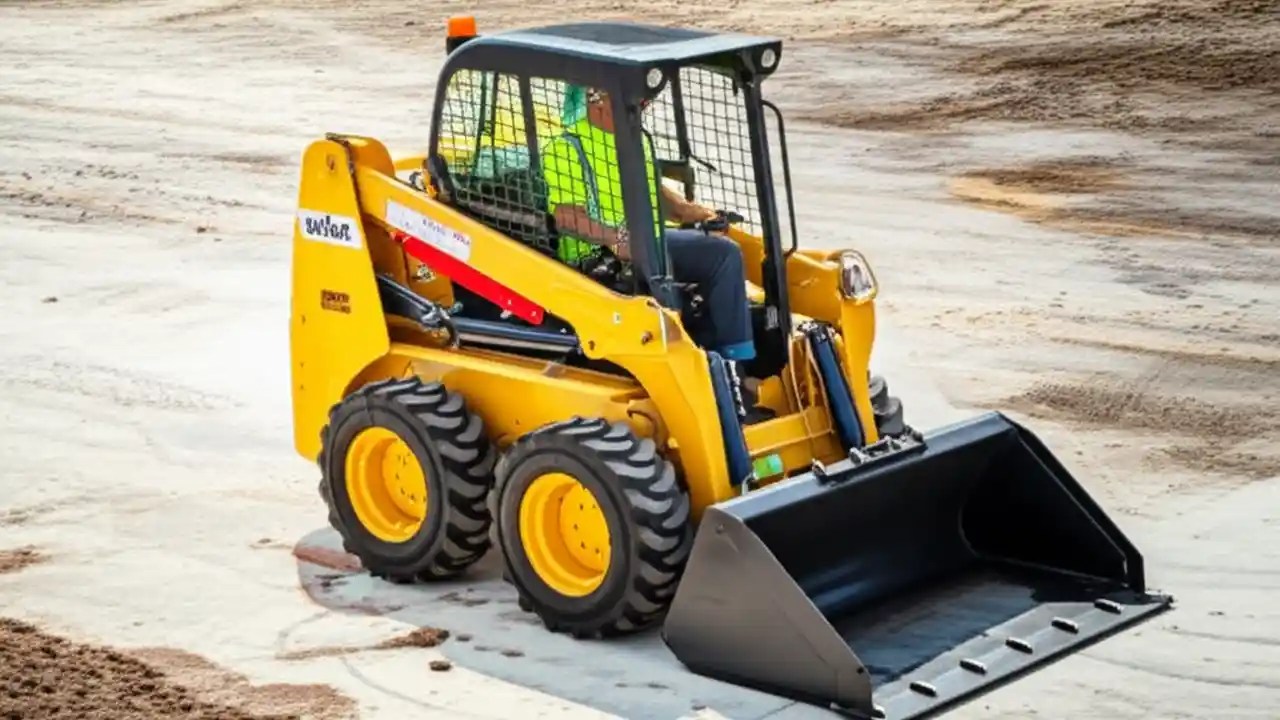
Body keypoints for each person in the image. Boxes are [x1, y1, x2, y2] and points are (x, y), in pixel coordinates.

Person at [539, 85, 757, 363]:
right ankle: (697, 362)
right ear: (597, 99)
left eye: (644, 103)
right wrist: (613, 238)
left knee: (723, 252)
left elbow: (653, 191)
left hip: (647, 240)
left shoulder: (635, 140)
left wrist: (695, 212)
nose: (642, 108)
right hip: (598, 254)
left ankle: (737, 359)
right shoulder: (565, 148)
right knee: (695, 259)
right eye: (636, 103)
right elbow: (566, 216)